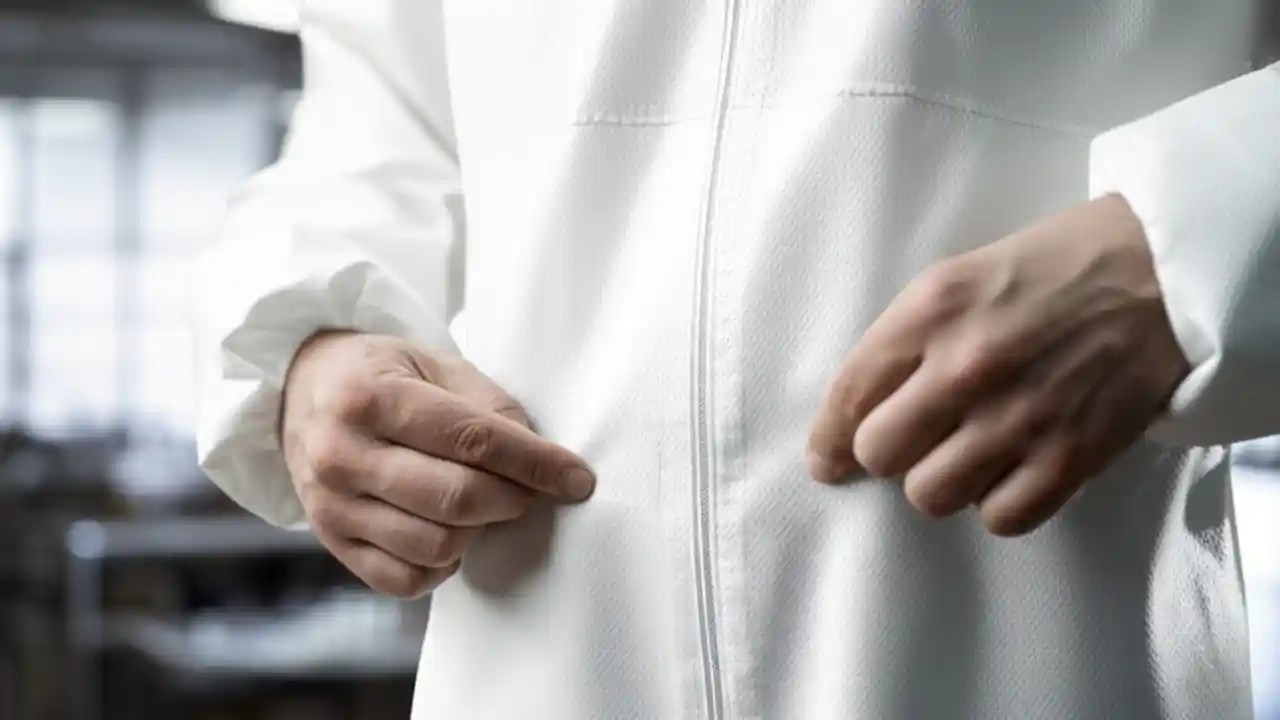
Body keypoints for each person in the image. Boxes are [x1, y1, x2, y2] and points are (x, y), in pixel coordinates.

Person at [193, 2, 1280, 717]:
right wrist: (311, 349)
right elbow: (377, 122)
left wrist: (1187, 246)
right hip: (538, 665)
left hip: (1039, 659)